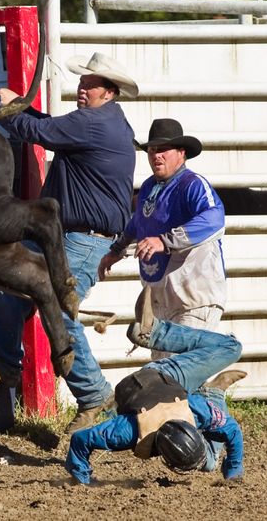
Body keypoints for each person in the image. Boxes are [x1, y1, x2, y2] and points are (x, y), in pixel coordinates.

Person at [0, 52, 138, 432]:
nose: (82, 88)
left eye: (90, 84)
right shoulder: (102, 121)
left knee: (59, 311)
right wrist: (13, 106)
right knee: (5, 281)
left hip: (81, 240)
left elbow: (40, 132)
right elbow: (50, 127)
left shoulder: (95, 124)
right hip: (66, 237)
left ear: (108, 93)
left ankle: (94, 395)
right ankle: (7, 366)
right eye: (82, 82)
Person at [65, 297, 245, 486]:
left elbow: (232, 430)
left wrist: (234, 473)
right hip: (154, 380)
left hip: (166, 377)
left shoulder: (194, 409)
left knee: (207, 461)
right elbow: (81, 438)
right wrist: (80, 480)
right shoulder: (128, 431)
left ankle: (154, 332)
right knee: (208, 463)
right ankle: (213, 392)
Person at [98, 118, 228, 357]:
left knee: (177, 372)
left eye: (163, 150)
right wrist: (116, 250)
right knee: (163, 374)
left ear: (181, 153)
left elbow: (214, 218)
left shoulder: (193, 184)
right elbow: (139, 221)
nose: (156, 156)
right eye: (152, 150)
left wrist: (165, 240)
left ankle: (207, 396)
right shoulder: (149, 187)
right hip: (162, 299)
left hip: (194, 298)